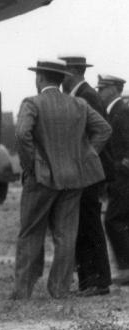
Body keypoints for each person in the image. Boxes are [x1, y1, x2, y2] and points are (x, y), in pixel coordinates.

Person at [12, 58, 110, 300]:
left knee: (30, 232)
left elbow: (22, 133)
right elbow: (104, 129)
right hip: (73, 178)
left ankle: (23, 291)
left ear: (40, 78)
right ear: (61, 79)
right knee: (66, 235)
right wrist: (85, 155)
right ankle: (60, 289)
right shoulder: (77, 104)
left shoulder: (31, 103)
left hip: (41, 179)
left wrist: (32, 164)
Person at [60, 54, 113, 295]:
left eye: (63, 73)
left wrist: (86, 157)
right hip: (87, 172)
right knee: (85, 223)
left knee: (89, 224)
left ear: (72, 71)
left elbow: (101, 131)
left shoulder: (87, 96)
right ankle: (89, 280)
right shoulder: (84, 95)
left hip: (88, 173)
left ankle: (97, 281)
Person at [96, 74, 129, 285]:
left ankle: (126, 270)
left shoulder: (122, 112)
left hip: (123, 177)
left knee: (113, 221)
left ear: (114, 89)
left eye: (103, 88)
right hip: (119, 176)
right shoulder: (114, 112)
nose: (99, 93)